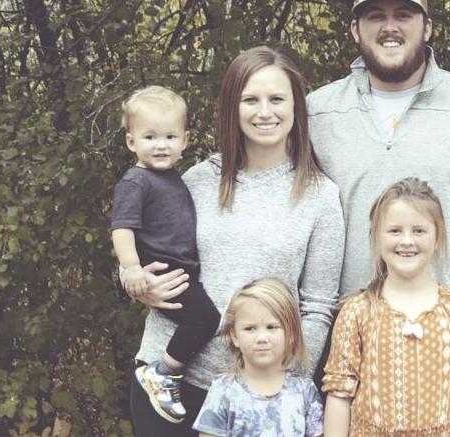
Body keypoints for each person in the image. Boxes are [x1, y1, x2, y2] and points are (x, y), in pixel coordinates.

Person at [125, 46, 345, 436]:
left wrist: (287, 385)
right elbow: (141, 251)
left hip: (257, 395)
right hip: (171, 383)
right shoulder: (196, 180)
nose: (265, 112)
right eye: (251, 100)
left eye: (277, 99)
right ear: (233, 107)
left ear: (296, 106)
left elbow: (317, 306)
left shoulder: (320, 196)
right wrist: (137, 283)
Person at [307, 0, 450, 331]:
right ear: (355, 29)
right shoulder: (318, 112)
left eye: (403, 15)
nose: (390, 27)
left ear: (427, 27)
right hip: (344, 336)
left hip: (441, 337)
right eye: (376, 16)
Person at [322, 177, 450, 437]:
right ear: (377, 237)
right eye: (395, 231)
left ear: (438, 237)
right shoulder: (357, 312)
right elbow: (339, 393)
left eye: (419, 231)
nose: (407, 241)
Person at [111, 86, 221, 423]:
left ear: (185, 140)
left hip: (181, 268)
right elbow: (122, 228)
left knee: (200, 318)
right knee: (206, 319)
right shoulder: (136, 181)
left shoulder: (173, 177)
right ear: (131, 141)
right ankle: (163, 372)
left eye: (170, 137)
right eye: (150, 137)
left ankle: (165, 371)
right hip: (163, 270)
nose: (161, 145)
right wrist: (132, 269)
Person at [194, 278, 324, 436]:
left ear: (291, 334)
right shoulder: (223, 391)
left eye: (272, 327)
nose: (261, 338)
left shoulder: (305, 391)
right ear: (234, 336)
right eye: (250, 328)